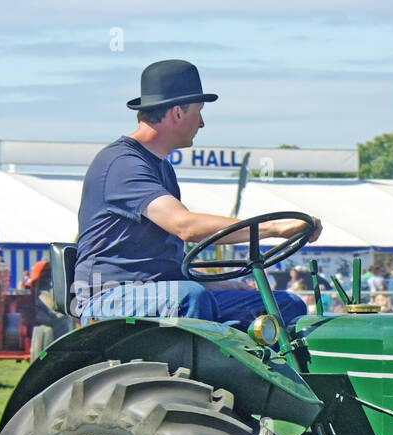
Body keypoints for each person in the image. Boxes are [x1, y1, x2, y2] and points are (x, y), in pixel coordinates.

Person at [74, 60, 321, 325]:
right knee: (189, 298)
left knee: (285, 304)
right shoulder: (122, 163)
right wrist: (274, 228)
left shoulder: (161, 167)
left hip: (160, 292)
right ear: (178, 112)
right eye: (199, 112)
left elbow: (164, 266)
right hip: (109, 296)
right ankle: (199, 366)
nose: (202, 123)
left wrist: (220, 285)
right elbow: (185, 226)